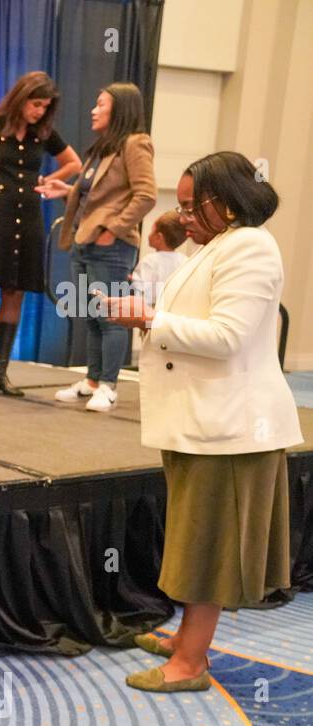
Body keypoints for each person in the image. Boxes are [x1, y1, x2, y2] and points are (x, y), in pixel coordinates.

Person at [102, 152, 301, 693]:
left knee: (210, 546)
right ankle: (188, 641)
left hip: (233, 428)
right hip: (205, 420)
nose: (182, 216)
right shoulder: (218, 246)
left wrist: (147, 318)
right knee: (196, 539)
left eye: (193, 206)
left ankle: (190, 662)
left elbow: (227, 336)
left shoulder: (252, 247)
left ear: (228, 202)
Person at [0, 72, 80, 395]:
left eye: (45, 107)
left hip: (29, 217)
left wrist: (49, 182)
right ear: (21, 98)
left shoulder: (44, 133)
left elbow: (74, 163)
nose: (39, 112)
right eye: (35, 104)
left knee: (15, 290)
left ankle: (0, 371)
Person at [39, 83, 155, 412]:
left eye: (101, 104)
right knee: (90, 314)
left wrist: (113, 230)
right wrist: (67, 191)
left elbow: (145, 195)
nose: (93, 110)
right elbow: (94, 193)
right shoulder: (103, 147)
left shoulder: (136, 144)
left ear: (120, 109)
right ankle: (91, 380)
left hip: (111, 247)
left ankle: (109, 385)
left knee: (111, 317)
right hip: (83, 242)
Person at [130, 209, 188, 308]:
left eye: (152, 230)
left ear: (158, 237)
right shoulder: (185, 261)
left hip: (151, 313)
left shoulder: (149, 261)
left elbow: (141, 293)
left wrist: (134, 280)